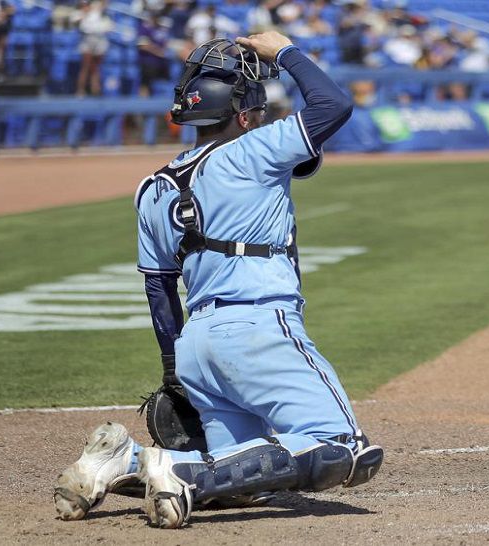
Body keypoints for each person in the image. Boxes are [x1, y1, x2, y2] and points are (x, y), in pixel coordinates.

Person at [53, 33, 383, 529]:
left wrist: (174, 372)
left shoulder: (153, 187)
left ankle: (127, 461)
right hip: (258, 329)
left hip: (198, 350)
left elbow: (158, 288)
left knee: (244, 478)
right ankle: (179, 474)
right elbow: (333, 103)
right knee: (341, 449)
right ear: (243, 115)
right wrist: (285, 52)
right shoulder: (254, 151)